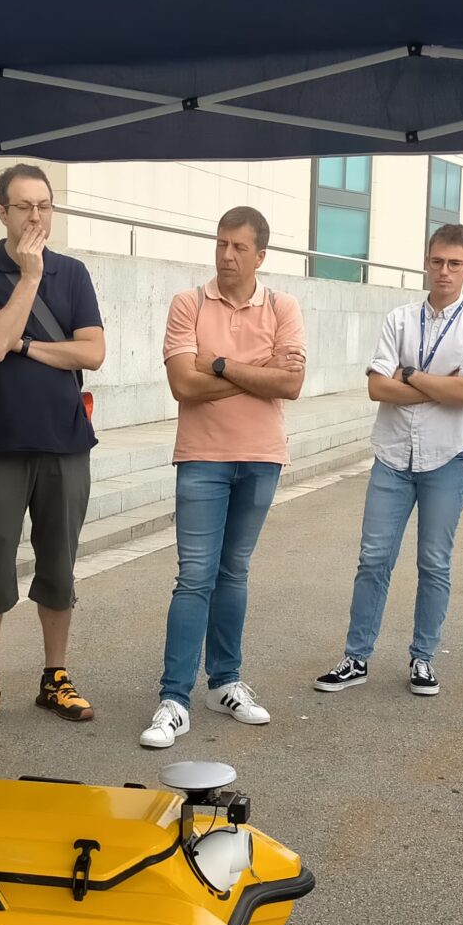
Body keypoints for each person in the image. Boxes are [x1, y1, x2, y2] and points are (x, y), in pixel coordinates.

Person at [141, 206, 304, 749]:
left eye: (238, 247)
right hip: (202, 458)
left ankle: (226, 681)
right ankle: (174, 698)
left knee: (234, 572)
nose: (227, 255)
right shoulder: (189, 302)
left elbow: (293, 383)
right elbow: (182, 386)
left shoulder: (283, 306)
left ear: (261, 255)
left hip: (261, 456)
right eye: (220, 244)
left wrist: (220, 365)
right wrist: (258, 373)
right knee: (195, 576)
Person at [0, 163, 105, 729]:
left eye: (44, 205)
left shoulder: (77, 273)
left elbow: (92, 352)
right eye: (24, 206)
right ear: (2, 212)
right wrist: (30, 279)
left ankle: (54, 677)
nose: (36, 216)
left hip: (65, 443)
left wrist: (27, 344)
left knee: (60, 566)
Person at [313, 224, 463, 697]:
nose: (445, 271)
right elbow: (377, 387)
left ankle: (423, 658)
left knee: (434, 563)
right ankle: (356, 657)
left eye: (455, 263)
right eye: (437, 261)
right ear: (426, 262)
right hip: (393, 455)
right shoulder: (398, 319)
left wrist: (410, 376)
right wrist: (440, 386)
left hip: (447, 458)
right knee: (373, 559)